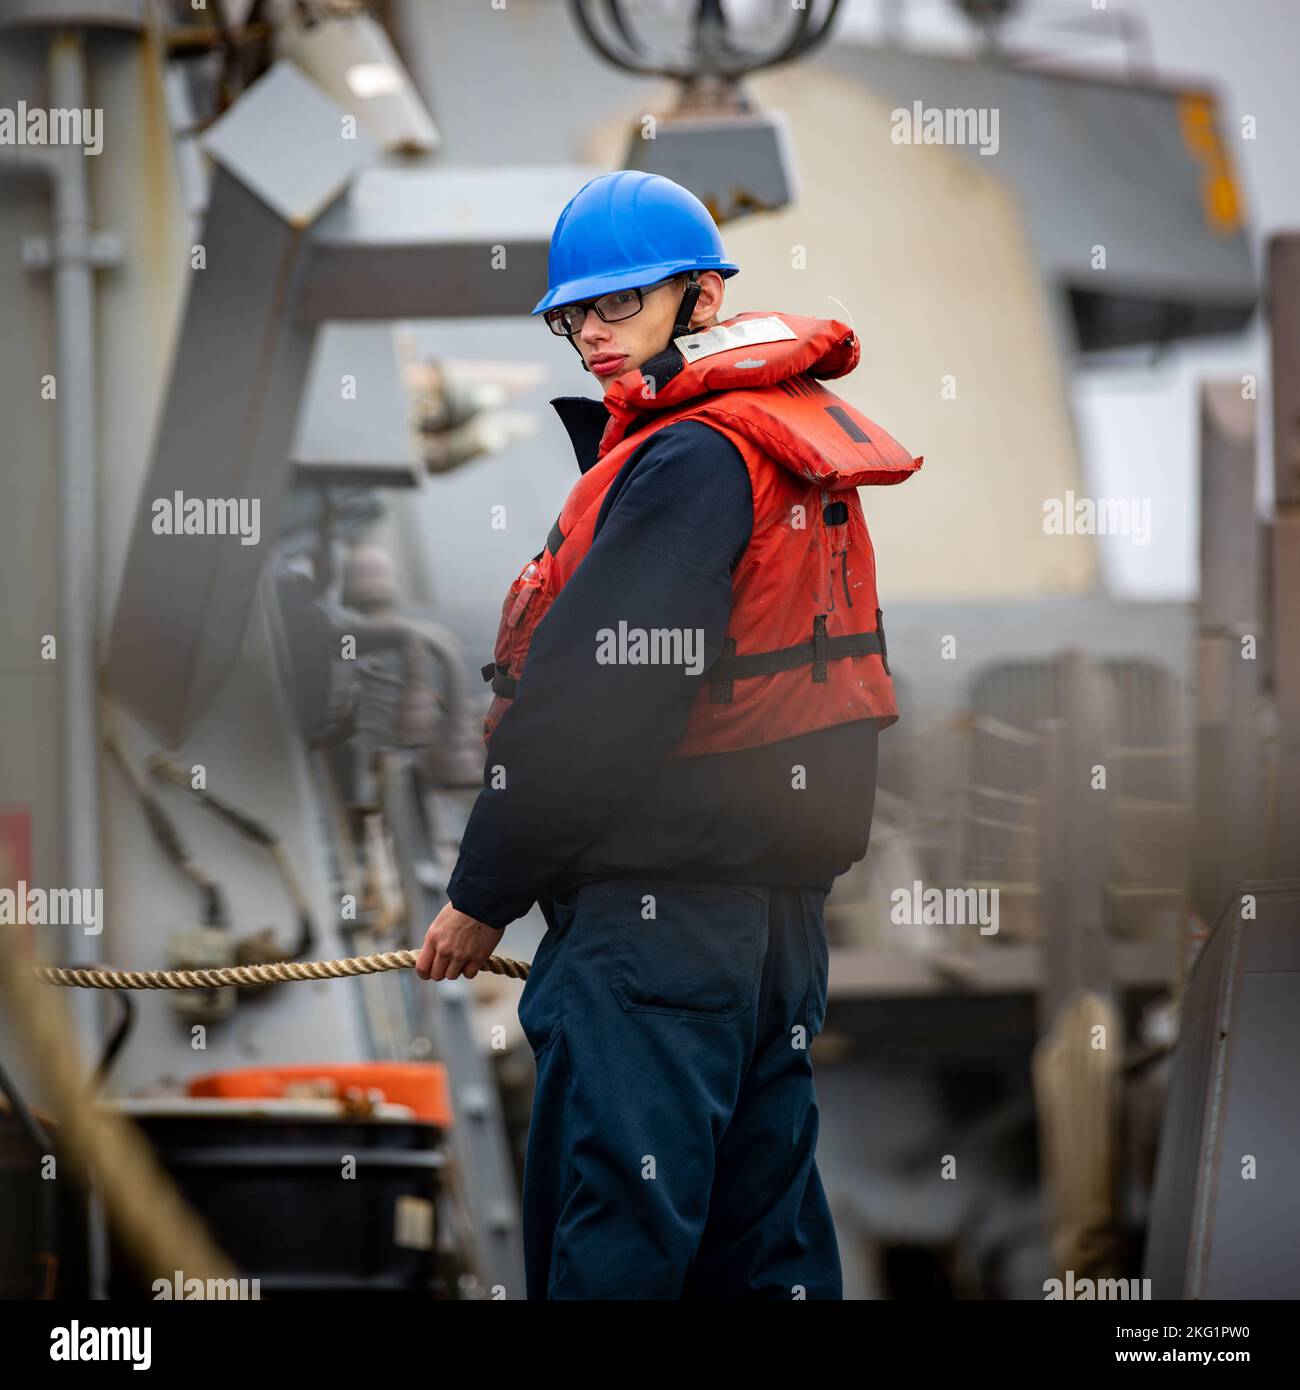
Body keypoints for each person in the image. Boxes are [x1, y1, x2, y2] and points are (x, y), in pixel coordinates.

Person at [416, 170, 921, 1299]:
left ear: (699, 300)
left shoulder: (687, 457)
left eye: (618, 306)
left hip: (655, 938)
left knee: (616, 1250)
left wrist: (481, 891)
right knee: (766, 1252)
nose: (591, 335)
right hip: (774, 934)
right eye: (572, 316)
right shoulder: (772, 446)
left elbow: (598, 702)